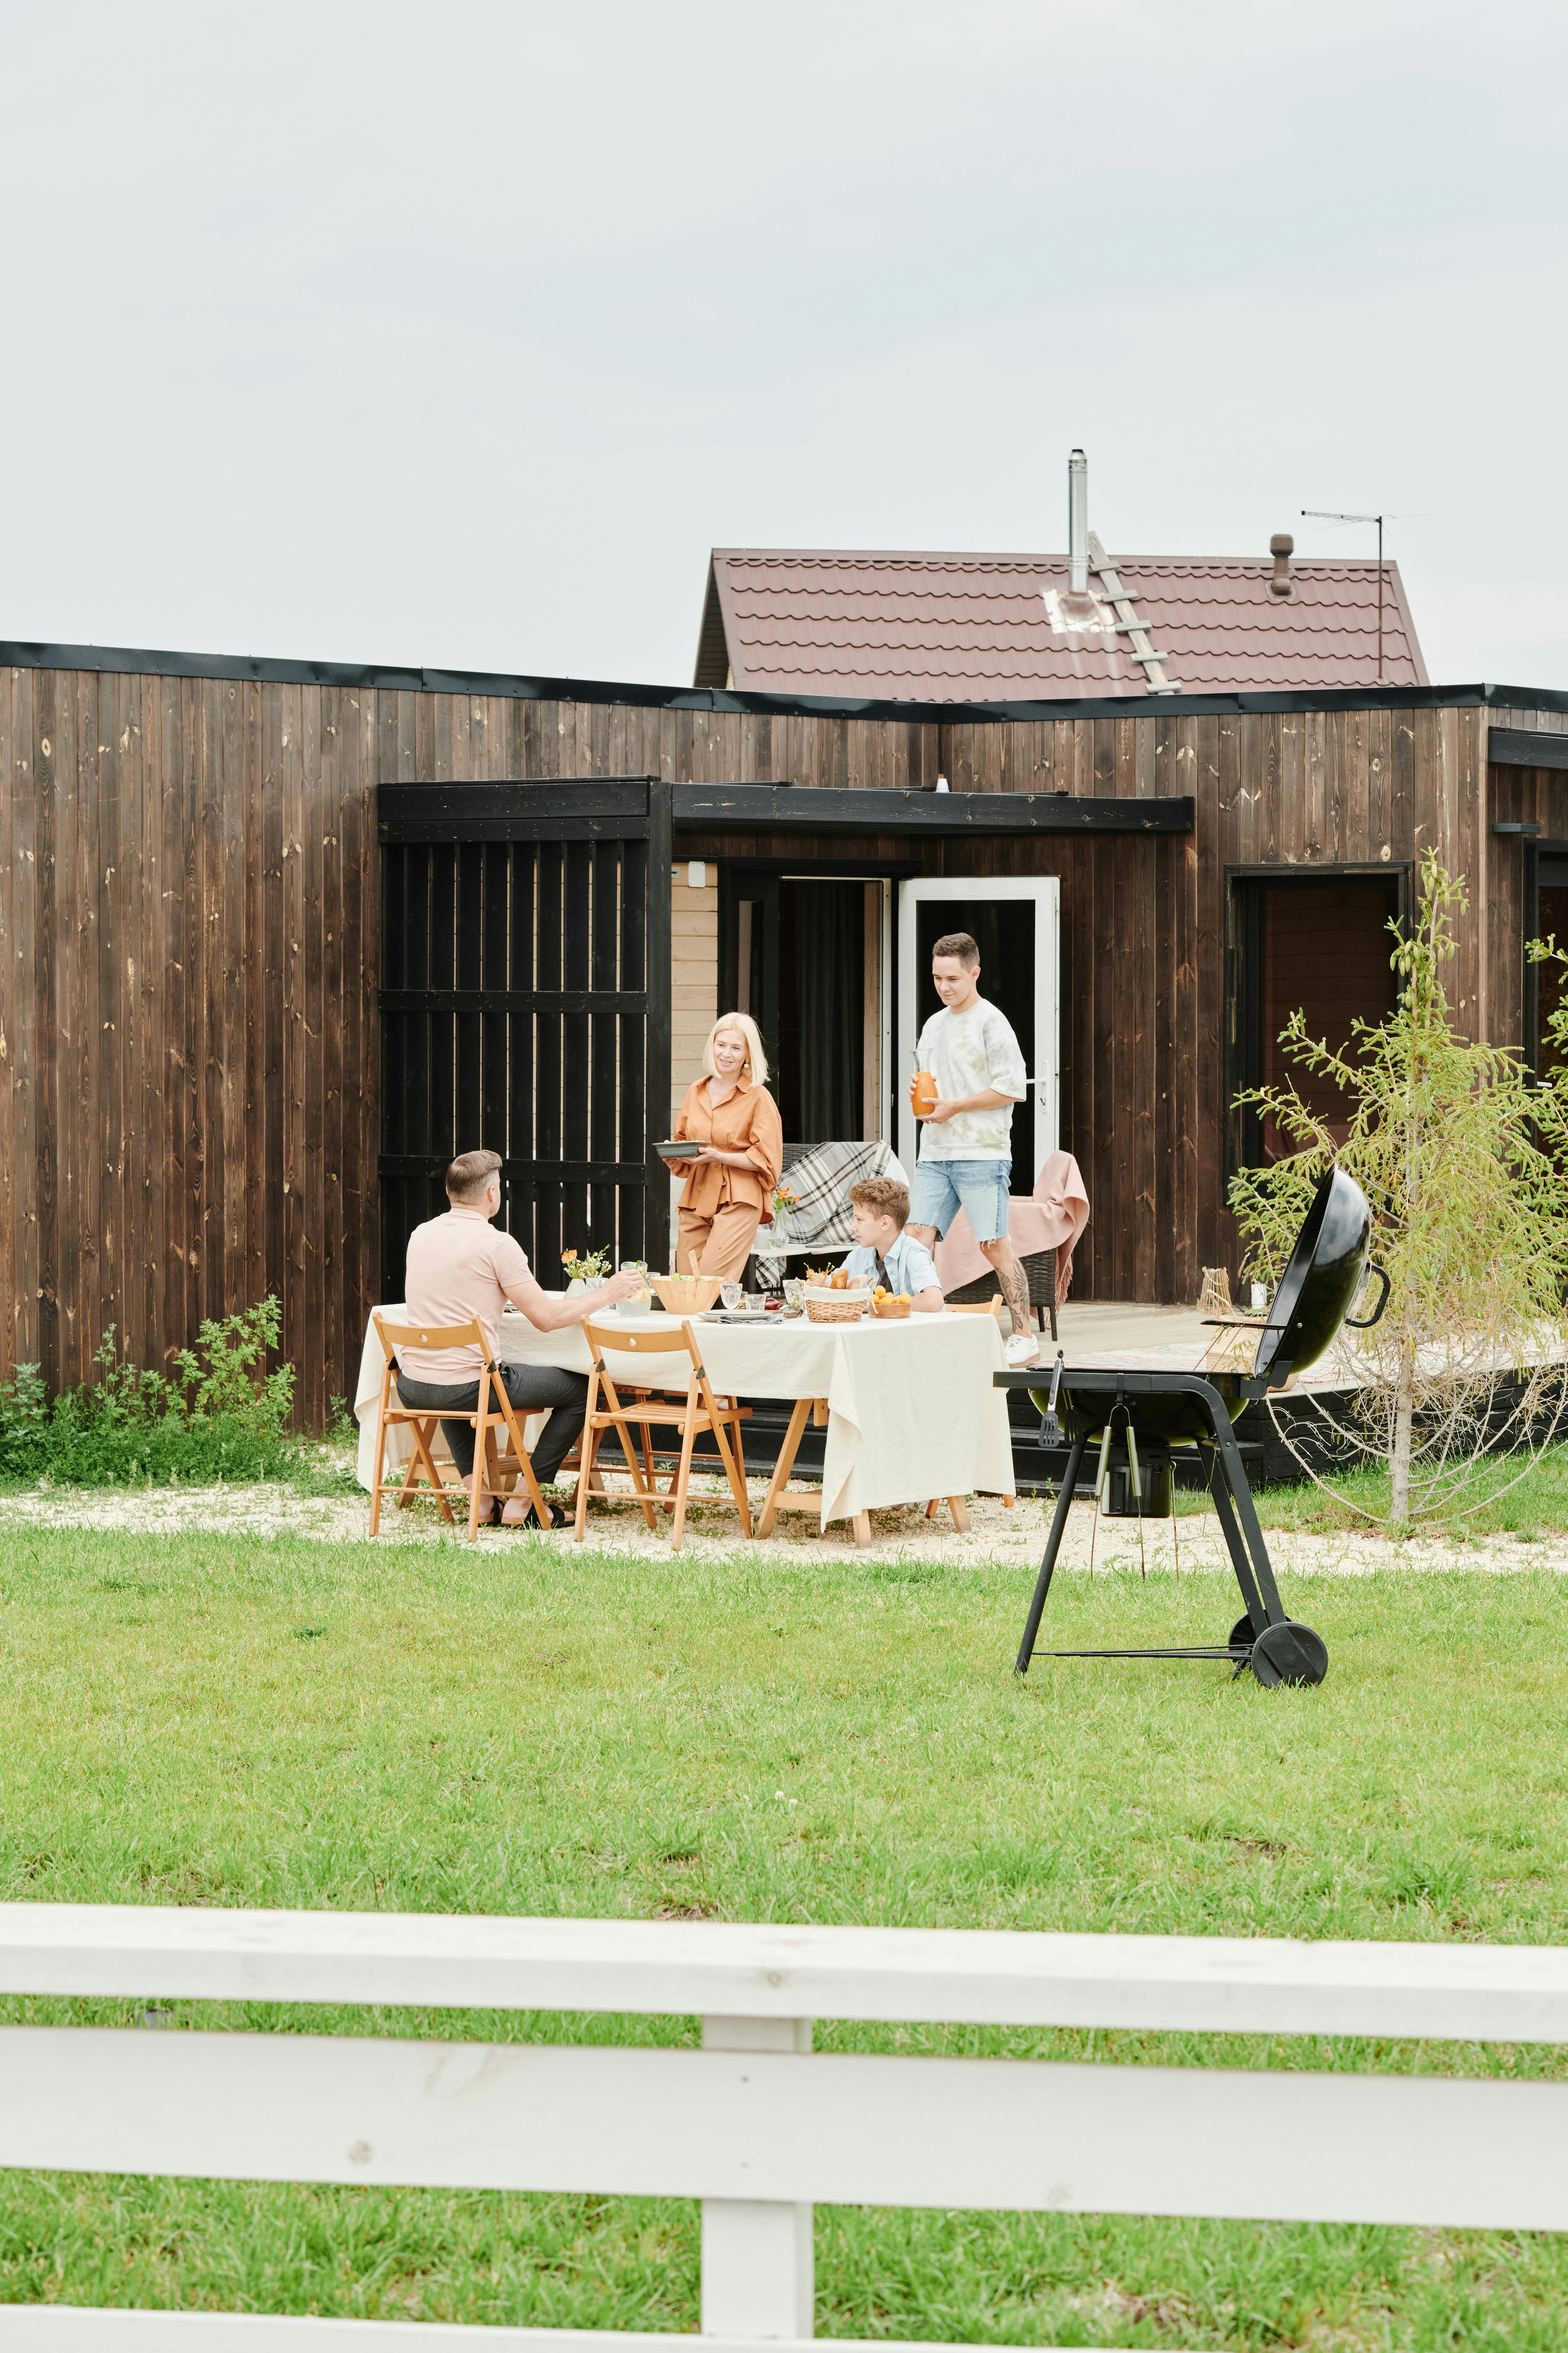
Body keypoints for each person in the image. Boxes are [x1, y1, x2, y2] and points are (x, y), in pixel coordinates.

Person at [394, 1148, 642, 1529]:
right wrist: (608, 1293)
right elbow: (546, 1319)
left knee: (452, 1371)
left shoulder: (419, 1235)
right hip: (467, 1387)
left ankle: (480, 1503)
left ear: (450, 1191)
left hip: (413, 1386)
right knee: (581, 1388)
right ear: (493, 1194)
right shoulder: (497, 1244)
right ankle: (524, 1502)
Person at [903, 930, 1038, 1366]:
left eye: (952, 979)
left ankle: (1023, 1334)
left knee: (993, 1244)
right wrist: (921, 1095)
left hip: (983, 1153)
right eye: (936, 978)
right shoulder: (932, 1025)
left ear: (974, 973)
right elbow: (936, 1083)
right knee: (914, 1239)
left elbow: (1012, 1089)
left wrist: (956, 1105)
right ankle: (922, 1321)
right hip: (934, 1153)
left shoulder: (991, 1022)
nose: (943, 987)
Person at [668, 1012, 783, 1282]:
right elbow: (683, 1140)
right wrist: (674, 1152)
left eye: (736, 1048)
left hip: (740, 1195)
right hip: (697, 1194)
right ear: (712, 1046)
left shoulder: (759, 1096)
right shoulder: (696, 1090)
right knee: (684, 1282)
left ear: (748, 1055)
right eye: (721, 1045)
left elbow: (767, 1160)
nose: (726, 1054)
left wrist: (720, 1157)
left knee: (709, 1281)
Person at [837, 1176, 944, 1310]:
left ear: (885, 1223)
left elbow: (933, 1300)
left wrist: (883, 1306)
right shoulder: (859, 1254)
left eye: (860, 1219)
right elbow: (832, 1289)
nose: (853, 1227)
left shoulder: (914, 1253)